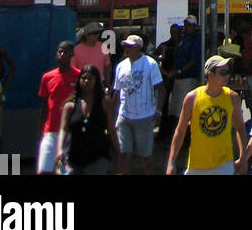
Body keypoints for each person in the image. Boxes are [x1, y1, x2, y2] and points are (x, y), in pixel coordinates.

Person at [167, 54, 248, 176]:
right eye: (223, 72)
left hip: (224, 164)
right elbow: (180, 130)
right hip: (197, 165)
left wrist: (243, 158)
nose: (227, 76)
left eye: (228, 72)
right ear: (210, 74)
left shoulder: (233, 98)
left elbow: (240, 129)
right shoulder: (192, 98)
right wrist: (171, 163)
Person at [111, 34, 163, 175]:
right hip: (125, 116)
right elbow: (117, 92)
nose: (126, 49)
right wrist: (112, 115)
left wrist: (158, 111)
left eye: (129, 47)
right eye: (125, 47)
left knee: (145, 156)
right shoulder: (121, 66)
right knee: (124, 153)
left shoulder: (150, 64)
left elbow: (160, 88)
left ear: (138, 48)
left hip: (144, 116)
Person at [58, 66, 116, 176]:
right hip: (75, 155)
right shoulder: (70, 106)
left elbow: (111, 128)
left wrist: (118, 151)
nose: (86, 81)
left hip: (98, 154)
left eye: (90, 79)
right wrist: (60, 150)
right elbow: (63, 129)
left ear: (96, 81)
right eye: (83, 78)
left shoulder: (104, 103)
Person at [36, 41, 78, 174]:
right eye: (60, 51)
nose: (62, 54)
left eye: (65, 52)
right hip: (50, 132)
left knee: (62, 171)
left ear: (72, 54)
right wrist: (41, 130)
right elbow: (44, 106)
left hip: (68, 133)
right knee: (44, 169)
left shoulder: (78, 76)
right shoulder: (47, 77)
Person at [154, 23, 182, 139]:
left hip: (178, 76)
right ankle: (163, 130)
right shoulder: (165, 45)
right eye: (173, 32)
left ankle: (174, 130)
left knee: (176, 106)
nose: (174, 34)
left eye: (176, 32)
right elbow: (154, 56)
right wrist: (162, 57)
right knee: (165, 104)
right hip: (166, 76)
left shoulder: (181, 44)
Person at [170, 16, 201, 117]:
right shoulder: (183, 38)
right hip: (178, 77)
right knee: (174, 108)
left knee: (182, 108)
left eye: (189, 25)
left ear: (194, 26)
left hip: (188, 77)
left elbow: (193, 60)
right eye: (185, 25)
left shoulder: (196, 40)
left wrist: (179, 71)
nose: (186, 27)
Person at [72, 22, 112, 89]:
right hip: (83, 85)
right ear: (87, 35)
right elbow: (73, 70)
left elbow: (107, 67)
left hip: (99, 85)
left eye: (98, 33)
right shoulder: (76, 50)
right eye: (94, 33)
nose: (97, 35)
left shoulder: (103, 47)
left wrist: (108, 84)